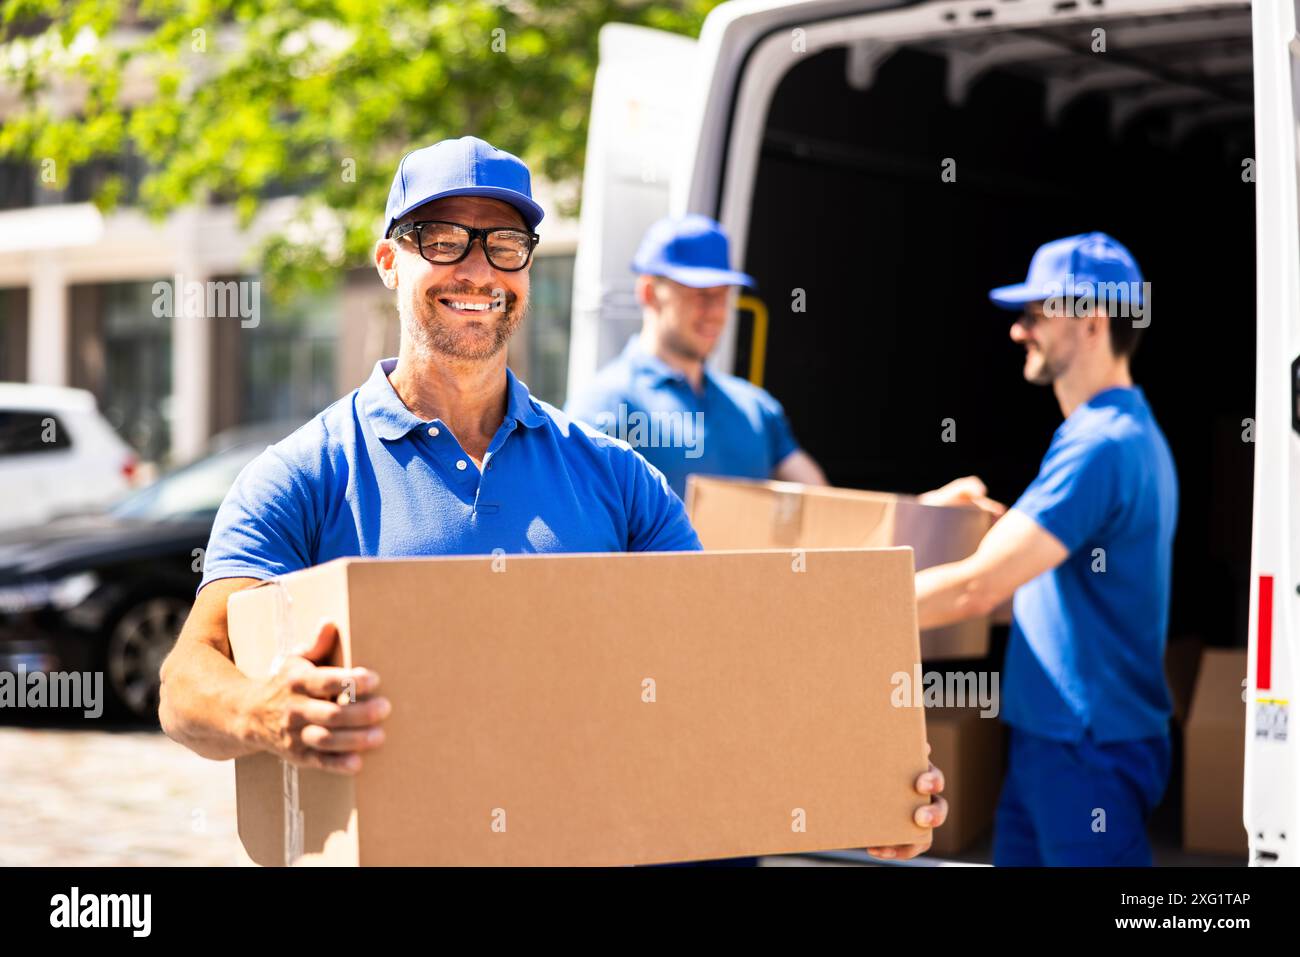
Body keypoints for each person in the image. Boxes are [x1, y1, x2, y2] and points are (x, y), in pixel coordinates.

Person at [157, 136, 945, 863]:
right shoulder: (303, 475)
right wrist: (265, 711)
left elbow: (712, 677)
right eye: (442, 240)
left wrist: (858, 782)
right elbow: (186, 681)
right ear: (389, 261)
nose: (477, 270)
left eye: (503, 245)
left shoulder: (616, 477)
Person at [914, 232, 1177, 866]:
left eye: (1036, 314)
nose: (1019, 330)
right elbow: (1036, 584)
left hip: (1087, 750)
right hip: (1057, 740)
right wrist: (948, 528)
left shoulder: (1100, 445)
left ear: (1092, 321)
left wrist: (829, 608)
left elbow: (980, 588)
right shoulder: (1118, 433)